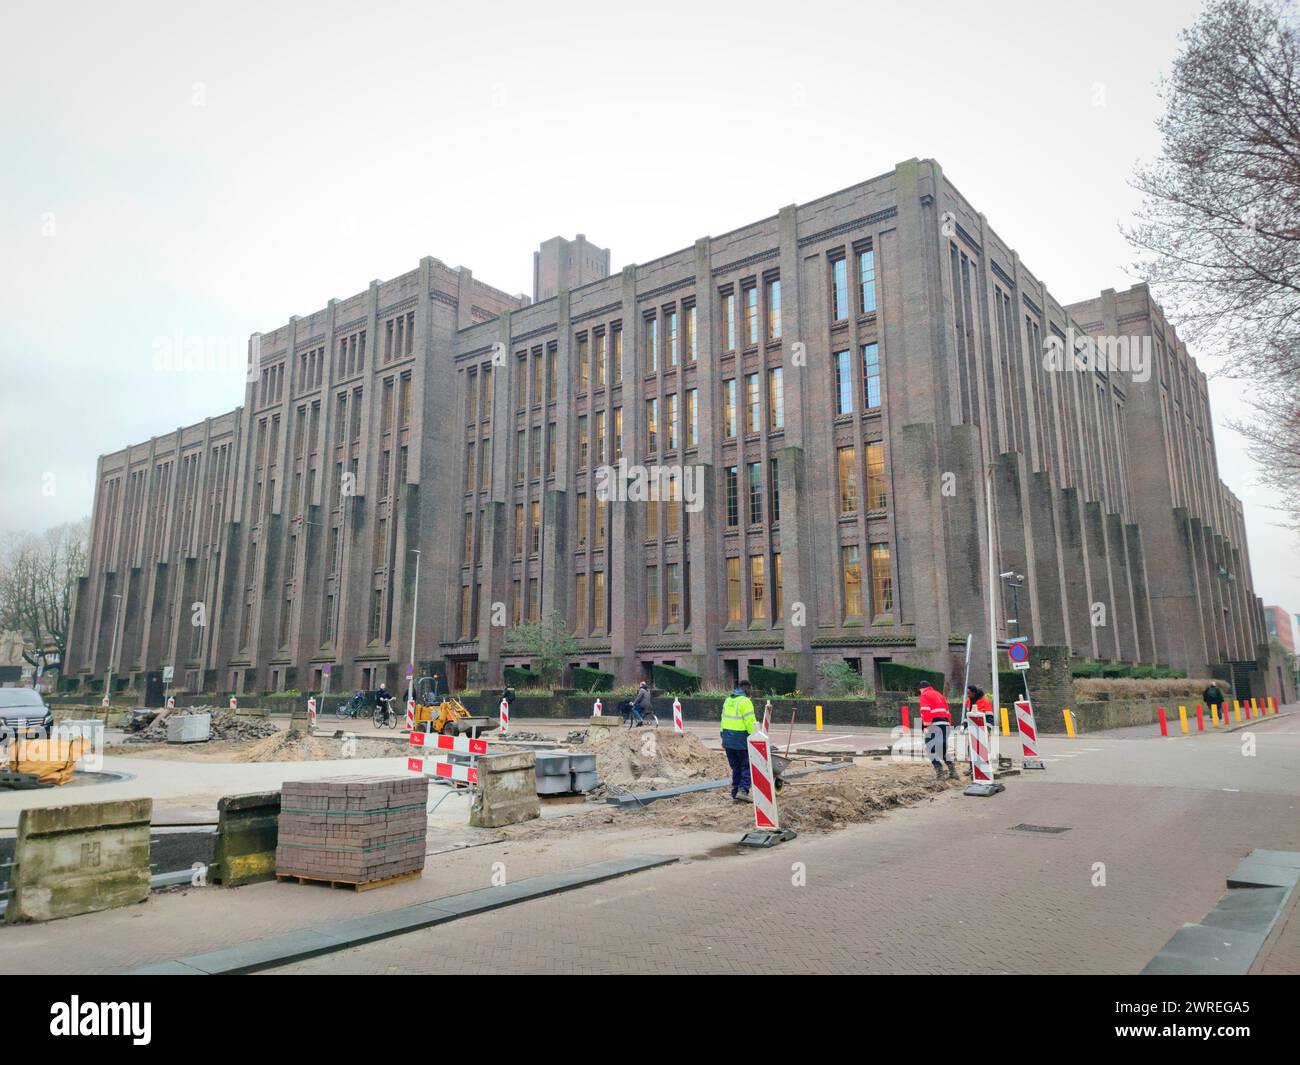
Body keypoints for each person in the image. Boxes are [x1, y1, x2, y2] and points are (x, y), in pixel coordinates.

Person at [720, 680, 758, 800]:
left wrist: (723, 736)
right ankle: (743, 790)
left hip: (727, 738)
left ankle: (735, 790)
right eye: (750, 690)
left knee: (736, 767)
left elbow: (723, 719)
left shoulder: (728, 700)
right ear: (747, 689)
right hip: (741, 739)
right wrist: (756, 736)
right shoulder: (745, 701)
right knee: (746, 765)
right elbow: (750, 722)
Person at [919, 680, 957, 781]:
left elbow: (925, 710)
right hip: (945, 724)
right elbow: (948, 711)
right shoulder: (939, 695)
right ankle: (953, 771)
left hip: (934, 725)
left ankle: (940, 773)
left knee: (930, 749)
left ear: (921, 689)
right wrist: (948, 724)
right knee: (942, 748)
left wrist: (926, 726)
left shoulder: (924, 695)